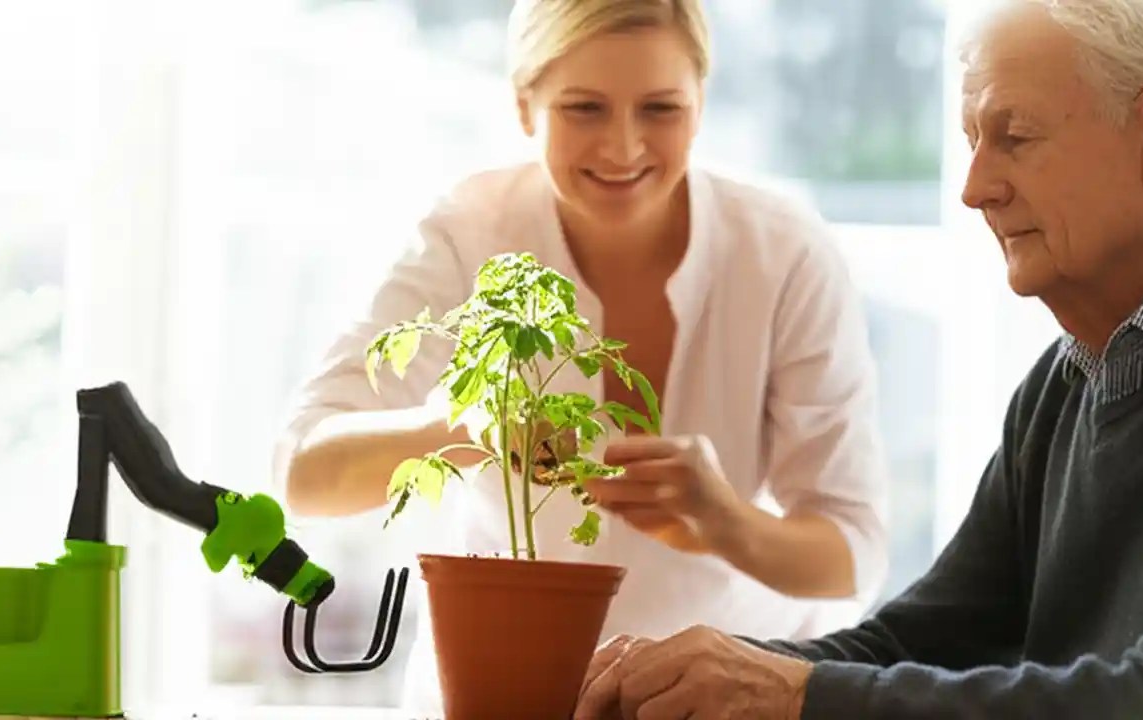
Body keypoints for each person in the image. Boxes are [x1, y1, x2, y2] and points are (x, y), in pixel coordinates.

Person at [573, 0, 1143, 717]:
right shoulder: (1066, 381)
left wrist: (787, 692)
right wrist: (691, 675)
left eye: (1015, 137)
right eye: (972, 142)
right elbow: (925, 642)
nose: (975, 189)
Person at [273, 0, 890, 713]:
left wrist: (725, 522)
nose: (623, 147)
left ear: (700, 103)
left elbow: (852, 557)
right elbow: (303, 473)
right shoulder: (471, 232)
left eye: (660, 109)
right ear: (523, 105)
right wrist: (465, 429)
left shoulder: (783, 252)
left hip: (716, 697)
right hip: (503, 691)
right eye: (584, 109)